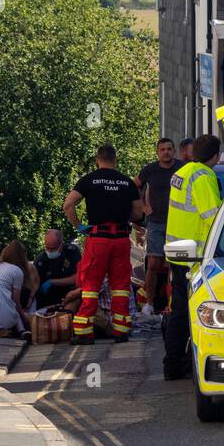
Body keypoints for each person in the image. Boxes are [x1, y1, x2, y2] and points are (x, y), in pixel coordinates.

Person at [63, 144, 143, 345]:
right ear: (115, 160)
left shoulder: (89, 179)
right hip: (121, 240)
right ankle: (121, 331)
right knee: (120, 286)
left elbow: (68, 204)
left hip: (98, 239)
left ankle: (83, 333)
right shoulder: (127, 182)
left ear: (98, 160)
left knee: (90, 285)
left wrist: (80, 226)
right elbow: (138, 213)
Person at [163, 134, 223, 380]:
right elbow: (214, 217)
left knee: (178, 311)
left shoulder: (184, 172)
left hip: (178, 252)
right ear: (215, 156)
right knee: (199, 311)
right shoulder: (202, 177)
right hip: (196, 258)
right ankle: (182, 362)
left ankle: (174, 362)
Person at [136, 137, 181, 324]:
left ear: (174, 151)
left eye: (169, 149)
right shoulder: (150, 170)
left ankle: (174, 304)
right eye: (162, 149)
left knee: (175, 265)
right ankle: (149, 304)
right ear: (157, 152)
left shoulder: (181, 167)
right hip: (155, 223)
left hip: (178, 222)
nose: (166, 152)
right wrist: (142, 205)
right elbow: (135, 185)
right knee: (153, 264)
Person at [33, 228, 81, 314]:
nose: (50, 251)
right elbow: (34, 284)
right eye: (47, 248)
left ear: (61, 245)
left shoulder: (71, 252)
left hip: (69, 295)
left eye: (53, 248)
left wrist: (52, 282)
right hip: (49, 300)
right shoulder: (41, 260)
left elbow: (77, 277)